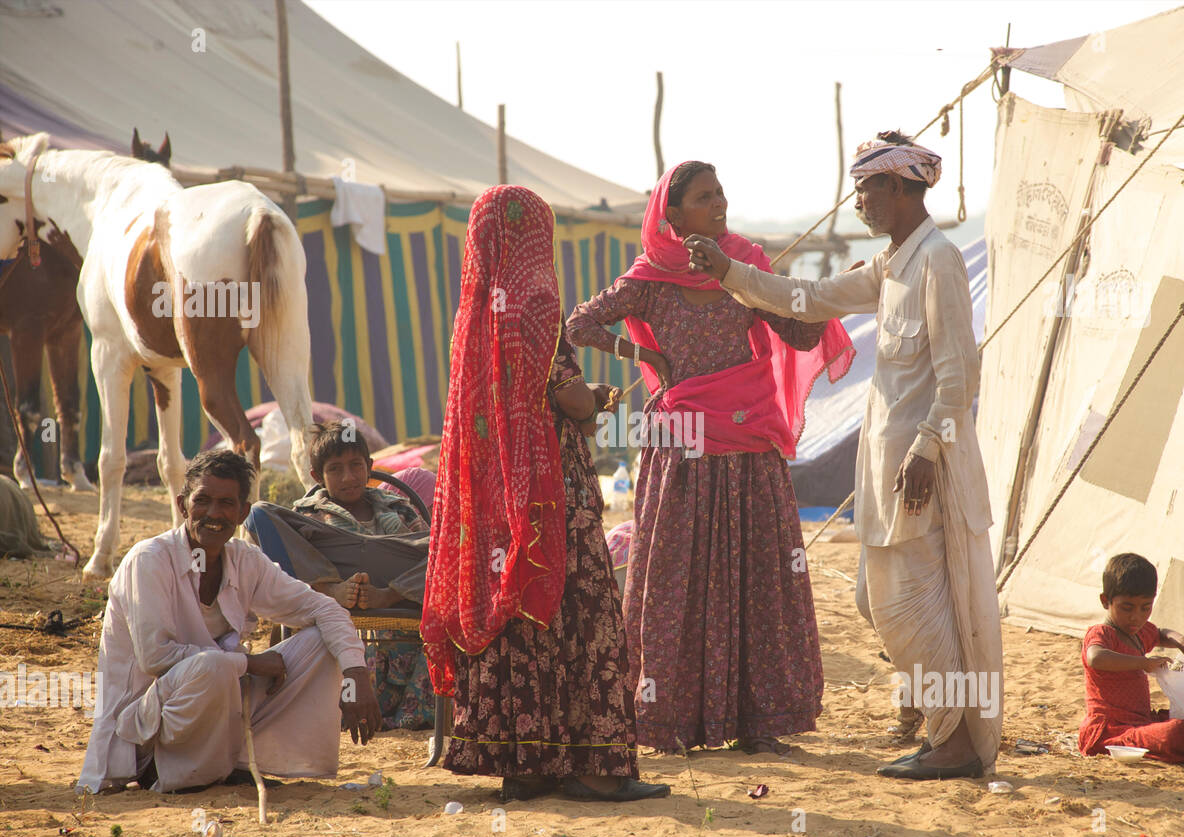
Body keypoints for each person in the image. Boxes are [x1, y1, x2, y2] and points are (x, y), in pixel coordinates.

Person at [685, 133, 1002, 779]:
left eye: (866, 188)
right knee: (878, 603)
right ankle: (944, 725)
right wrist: (730, 274)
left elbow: (959, 375)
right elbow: (812, 299)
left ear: (900, 188)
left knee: (912, 609)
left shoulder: (937, 261)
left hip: (923, 472)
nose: (858, 202)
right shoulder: (892, 266)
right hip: (886, 475)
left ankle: (957, 743)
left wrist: (924, 449)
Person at [566, 161, 854, 755]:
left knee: (757, 578)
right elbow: (580, 324)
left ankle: (758, 723)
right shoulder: (648, 278)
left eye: (721, 192)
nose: (719, 203)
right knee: (679, 579)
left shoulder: (742, 267)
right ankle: (675, 720)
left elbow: (797, 336)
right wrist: (638, 348)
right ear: (671, 215)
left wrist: (834, 297)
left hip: (748, 441)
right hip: (683, 448)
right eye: (704, 196)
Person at [421, 184, 667, 802]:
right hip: (550, 488)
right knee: (581, 607)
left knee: (512, 599)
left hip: (494, 492)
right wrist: (599, 401)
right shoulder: (535, 303)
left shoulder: (474, 311)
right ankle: (591, 769)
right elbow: (570, 398)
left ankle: (523, 764)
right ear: (535, 236)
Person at [77, 449, 381, 794]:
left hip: (218, 710)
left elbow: (324, 609)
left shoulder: (244, 560)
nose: (213, 514)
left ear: (242, 512)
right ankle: (177, 773)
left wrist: (356, 673)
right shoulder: (149, 560)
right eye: (202, 501)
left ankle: (232, 764)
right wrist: (249, 663)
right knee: (215, 668)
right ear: (182, 505)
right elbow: (155, 657)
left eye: (226, 504)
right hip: (140, 734)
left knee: (318, 642)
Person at [291, 420, 439, 731]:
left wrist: (390, 593)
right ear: (317, 476)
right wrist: (332, 590)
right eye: (335, 469)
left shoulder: (400, 509)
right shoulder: (307, 516)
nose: (348, 477)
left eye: (356, 465)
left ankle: (410, 717)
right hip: (338, 622)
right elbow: (288, 576)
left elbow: (434, 559)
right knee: (264, 519)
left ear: (369, 467)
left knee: (449, 550)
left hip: (401, 611)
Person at [1079, 553, 1184, 763]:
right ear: (1106, 601)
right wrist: (1144, 663)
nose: (1136, 617)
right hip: (1111, 730)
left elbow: (1160, 633)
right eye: (1127, 608)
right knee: (1175, 733)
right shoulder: (1102, 633)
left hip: (1141, 722)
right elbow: (1096, 657)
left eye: (1145, 608)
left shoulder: (1137, 633)